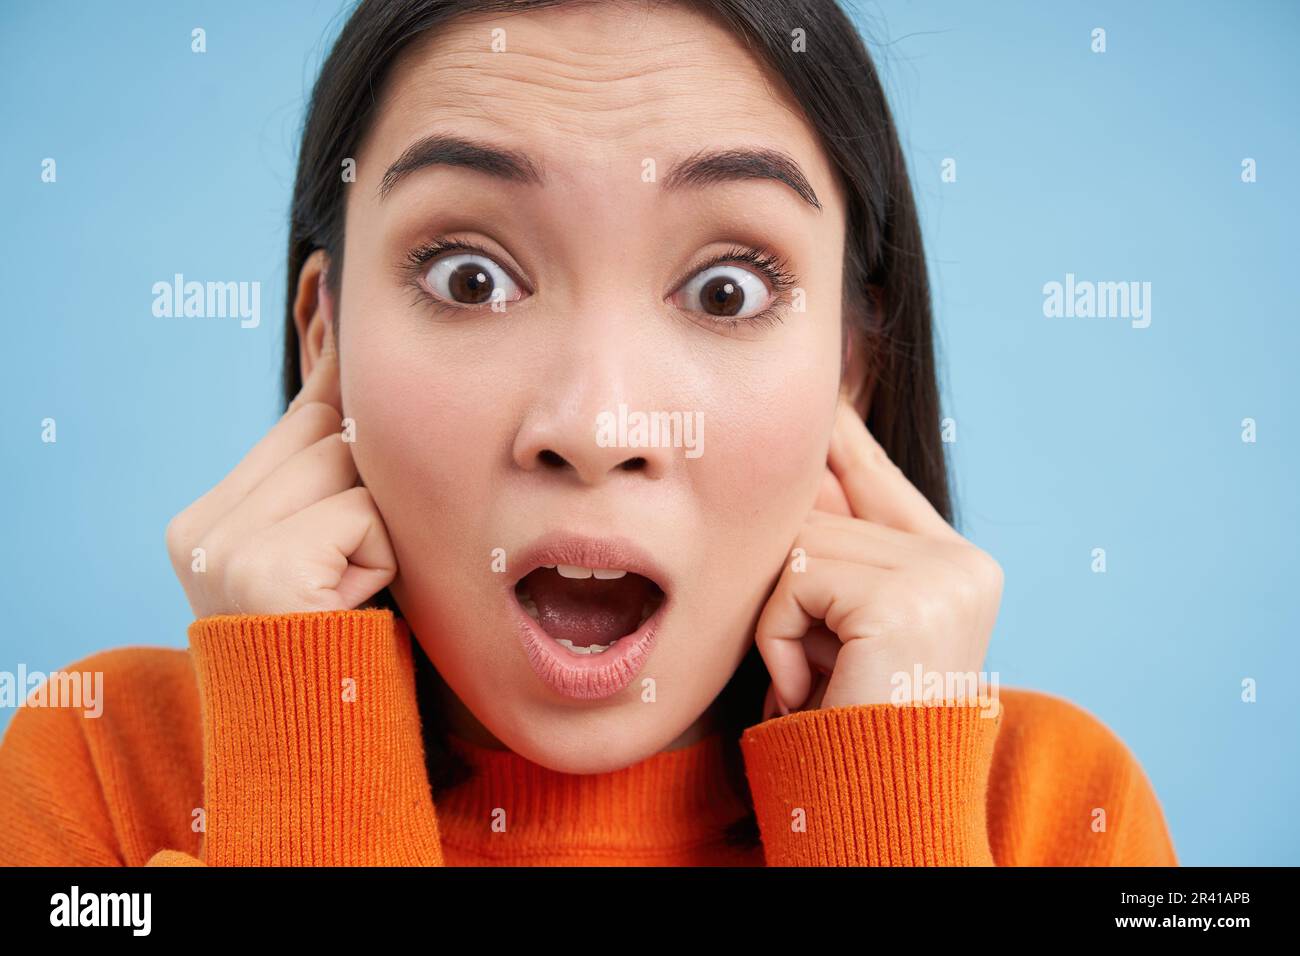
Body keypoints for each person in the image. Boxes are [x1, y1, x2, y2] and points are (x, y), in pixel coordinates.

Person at [0, 0, 1177, 867]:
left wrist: (885, 823)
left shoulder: (1047, 812)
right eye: (469, 277)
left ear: (848, 371)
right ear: (327, 343)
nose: (601, 425)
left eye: (727, 289)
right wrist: (313, 760)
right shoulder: (108, 775)